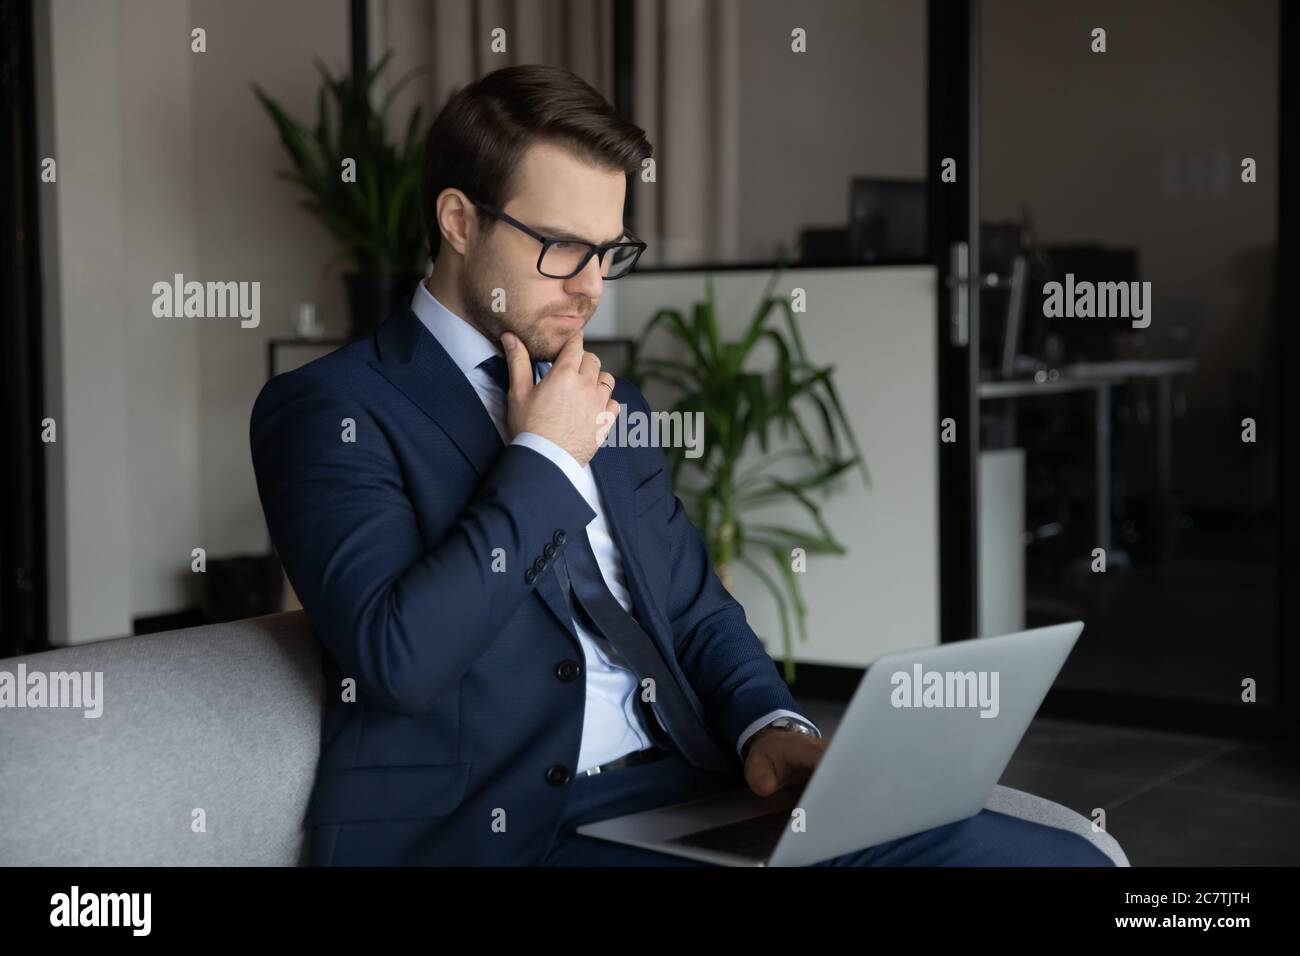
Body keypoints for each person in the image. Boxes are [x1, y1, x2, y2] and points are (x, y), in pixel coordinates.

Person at [250, 63, 1113, 867]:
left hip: (688, 788)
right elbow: (397, 656)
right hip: (506, 832)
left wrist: (767, 724)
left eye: (610, 251)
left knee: (1060, 864)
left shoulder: (611, 405)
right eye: (561, 247)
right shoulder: (333, 410)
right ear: (459, 220)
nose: (592, 286)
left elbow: (695, 609)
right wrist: (544, 456)